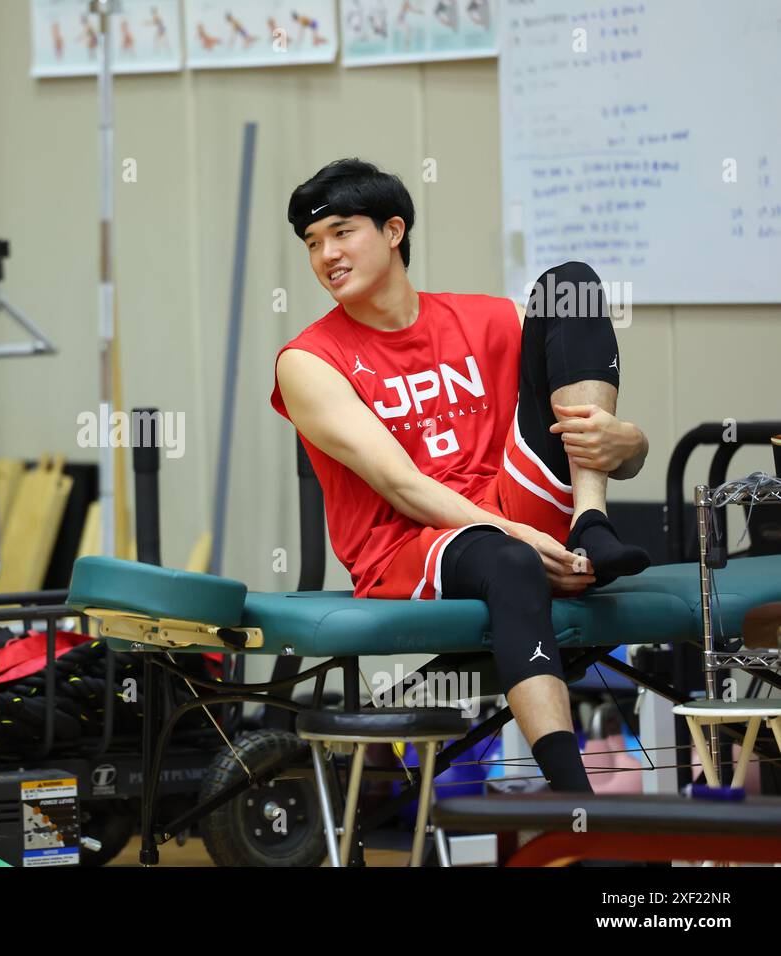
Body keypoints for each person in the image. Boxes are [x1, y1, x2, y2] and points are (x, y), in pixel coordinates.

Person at [272, 159, 651, 795]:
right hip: (410, 544)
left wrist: (633, 444)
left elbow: (591, 436)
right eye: (312, 243)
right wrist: (522, 539)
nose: (326, 255)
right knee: (508, 562)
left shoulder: (490, 318)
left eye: (342, 232)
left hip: (513, 505)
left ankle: (593, 519)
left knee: (572, 284)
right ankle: (576, 802)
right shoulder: (308, 361)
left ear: (394, 231)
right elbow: (403, 489)